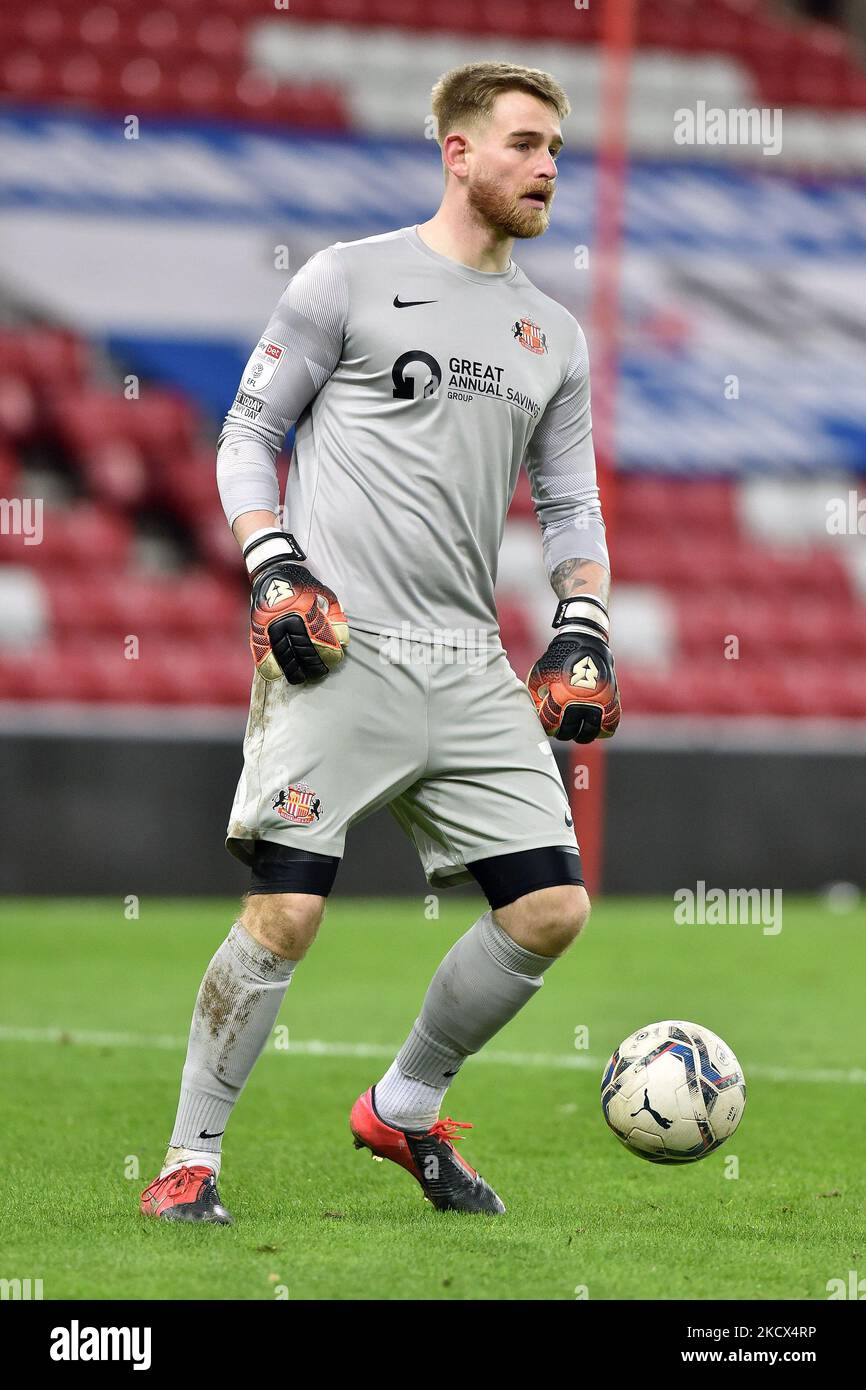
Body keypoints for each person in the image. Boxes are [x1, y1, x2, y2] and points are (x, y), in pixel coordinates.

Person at [140, 60, 620, 1226]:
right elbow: (248, 430)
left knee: (550, 908)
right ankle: (189, 1160)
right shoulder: (349, 279)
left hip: (467, 659)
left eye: (554, 145)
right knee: (289, 910)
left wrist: (581, 623)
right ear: (456, 153)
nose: (545, 164)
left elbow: (570, 506)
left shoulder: (551, 334)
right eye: (521, 143)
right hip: (338, 647)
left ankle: (402, 1107)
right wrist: (272, 560)